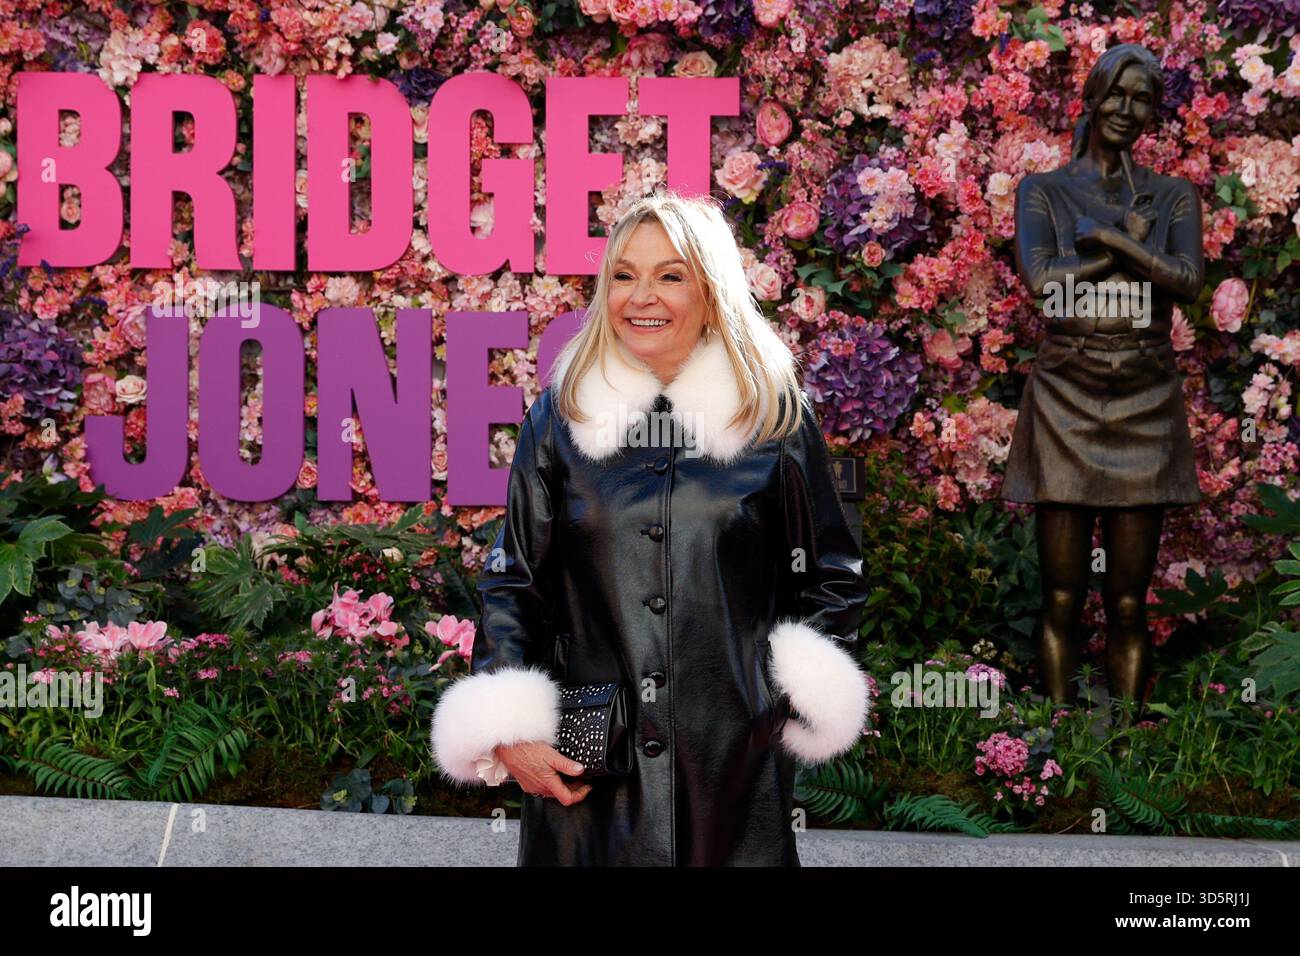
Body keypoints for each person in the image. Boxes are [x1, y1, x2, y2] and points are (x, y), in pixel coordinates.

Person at [429, 188, 871, 866]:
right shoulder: (561, 418)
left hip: (730, 770)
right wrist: (508, 728)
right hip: (584, 769)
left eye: (670, 275)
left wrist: (768, 705)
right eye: (624, 275)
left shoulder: (776, 418)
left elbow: (832, 579)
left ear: (711, 290)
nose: (643, 296)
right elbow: (514, 580)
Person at [1002, 43, 1205, 711]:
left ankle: (1123, 748)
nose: (1127, 108)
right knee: (1061, 592)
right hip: (1066, 392)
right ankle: (1062, 746)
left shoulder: (1174, 196)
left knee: (1126, 597)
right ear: (1091, 97)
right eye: (1117, 93)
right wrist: (1134, 250)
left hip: (1145, 393)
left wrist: (1111, 241)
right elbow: (1043, 285)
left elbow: (1188, 282)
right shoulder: (1045, 191)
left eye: (1142, 98)